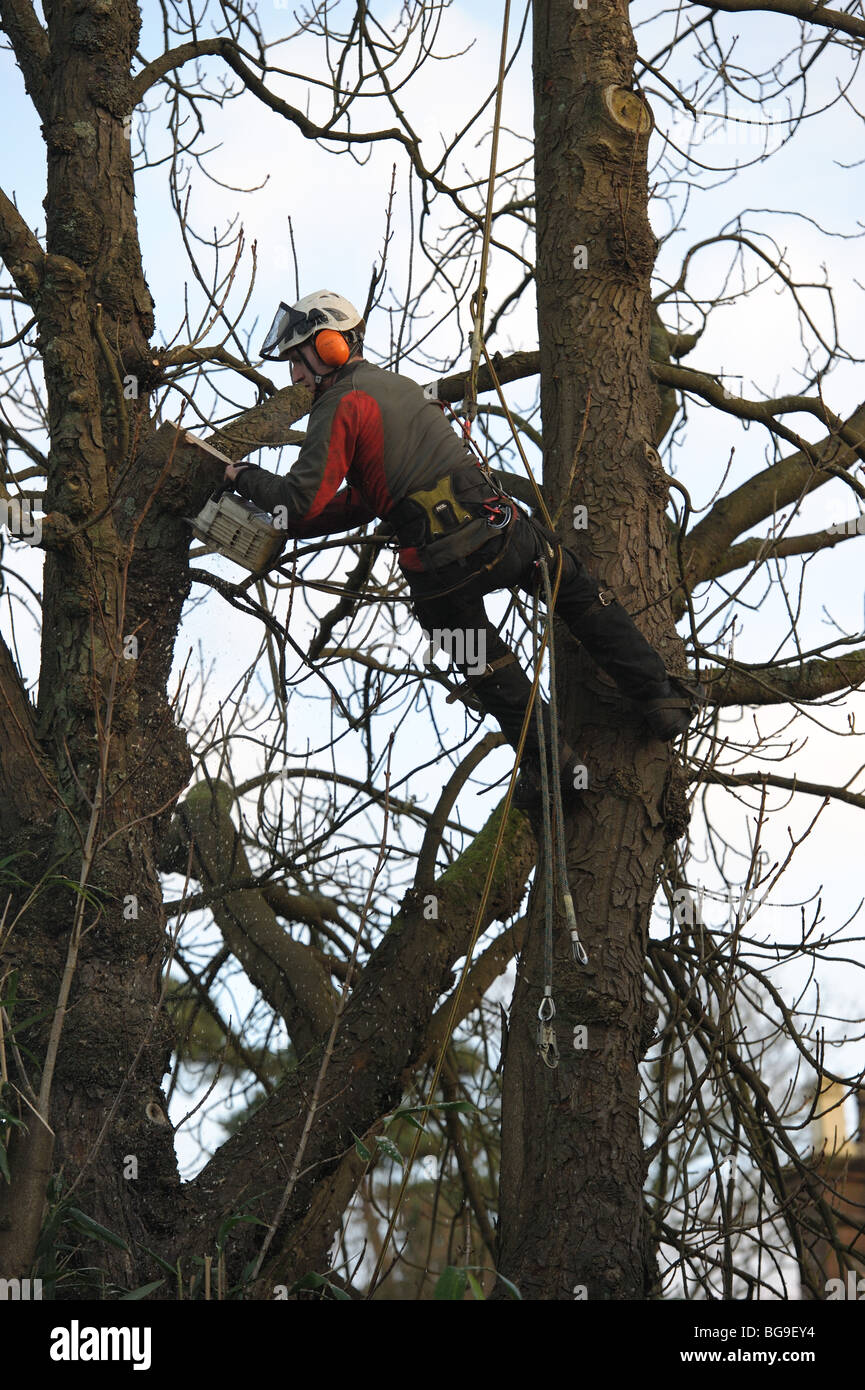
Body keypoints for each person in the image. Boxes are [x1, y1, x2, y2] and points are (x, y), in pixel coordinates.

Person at [224, 290, 697, 809]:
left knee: (486, 667)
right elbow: (358, 502)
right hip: (503, 534)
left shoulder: (341, 402)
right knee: (579, 593)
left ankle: (561, 773)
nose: (294, 375)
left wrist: (244, 477)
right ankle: (661, 698)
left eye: (297, 359)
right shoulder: (401, 389)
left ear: (331, 346)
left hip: (439, 573)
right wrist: (292, 519)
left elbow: (301, 502)